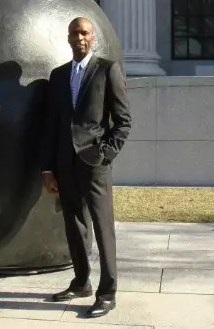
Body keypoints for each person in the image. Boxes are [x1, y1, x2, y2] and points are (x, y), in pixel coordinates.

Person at [41, 16, 132, 318]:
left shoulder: (107, 70)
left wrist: (105, 154)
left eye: (85, 33)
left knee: (103, 228)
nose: (79, 37)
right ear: (68, 38)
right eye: (74, 33)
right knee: (74, 225)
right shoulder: (57, 76)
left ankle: (108, 293)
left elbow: (123, 121)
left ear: (93, 38)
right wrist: (47, 168)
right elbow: (51, 125)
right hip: (64, 164)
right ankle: (81, 282)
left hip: (94, 164)